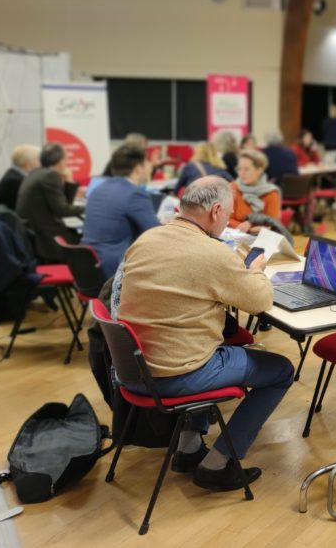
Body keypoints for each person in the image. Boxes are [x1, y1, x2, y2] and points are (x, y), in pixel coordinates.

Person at [117, 177, 294, 491]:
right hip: (173, 375)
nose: (227, 221)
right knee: (280, 370)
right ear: (215, 211)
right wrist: (256, 271)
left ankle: (187, 450)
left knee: (207, 343)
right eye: (227, 215)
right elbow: (260, 301)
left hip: (133, 369)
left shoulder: (146, 239)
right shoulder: (213, 253)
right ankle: (220, 463)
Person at [81, 144, 161, 278]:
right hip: (115, 271)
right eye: (146, 162)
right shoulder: (135, 194)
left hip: (89, 267)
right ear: (138, 169)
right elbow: (158, 234)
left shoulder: (98, 189)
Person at [16, 142, 84, 262]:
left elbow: (62, 204)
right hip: (46, 239)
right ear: (61, 160)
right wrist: (88, 207)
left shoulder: (37, 173)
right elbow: (62, 210)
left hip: (34, 233)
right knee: (86, 242)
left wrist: (68, 181)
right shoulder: (51, 176)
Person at [228, 149, 281, 234]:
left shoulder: (271, 193)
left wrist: (250, 228)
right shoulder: (232, 188)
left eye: (246, 169)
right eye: (239, 169)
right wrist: (249, 229)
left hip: (262, 238)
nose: (241, 173)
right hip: (234, 235)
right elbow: (227, 219)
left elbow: (273, 224)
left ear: (259, 170)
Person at [0, 144, 40, 220]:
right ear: (28, 163)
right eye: (37, 160)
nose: (39, 164)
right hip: (11, 227)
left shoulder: (14, 176)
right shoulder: (15, 181)